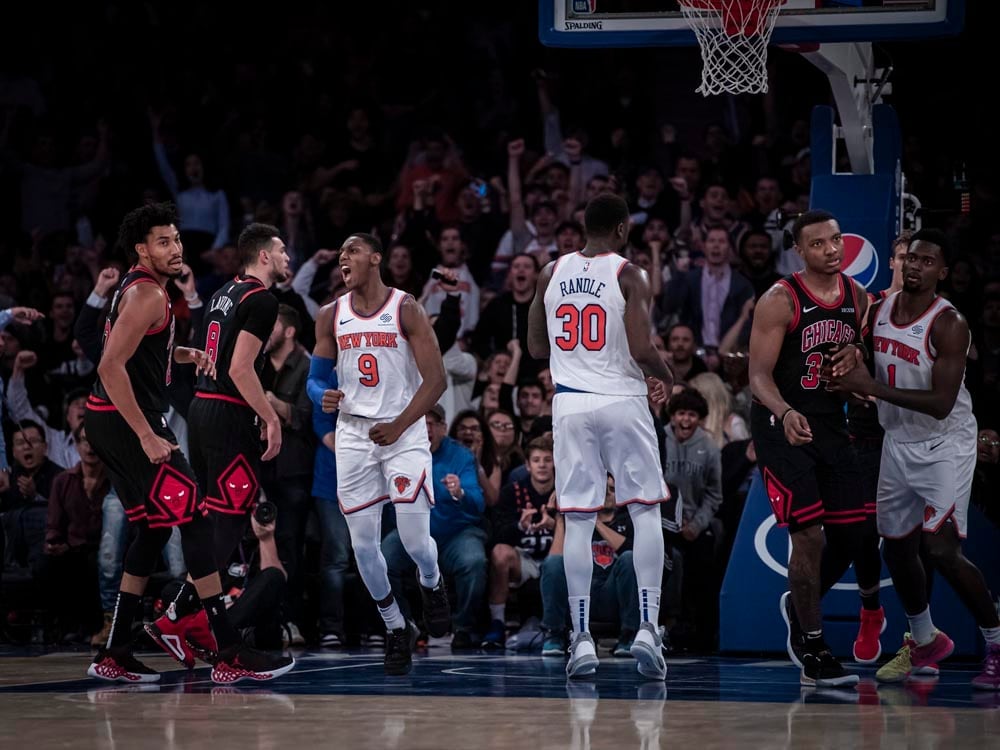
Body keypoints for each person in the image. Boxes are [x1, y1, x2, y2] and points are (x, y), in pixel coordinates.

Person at [83, 202, 293, 684]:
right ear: (141, 249)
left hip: (108, 418)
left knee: (153, 531)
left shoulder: (139, 288)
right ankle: (228, 652)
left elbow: (124, 348)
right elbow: (109, 366)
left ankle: (114, 651)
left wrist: (177, 352)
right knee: (198, 521)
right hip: (125, 422)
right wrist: (146, 434)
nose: (176, 248)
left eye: (176, 239)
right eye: (163, 241)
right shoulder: (148, 296)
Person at [830, 229, 1000, 690]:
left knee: (942, 548)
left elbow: (942, 402)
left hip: (946, 442)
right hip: (897, 440)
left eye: (927, 261)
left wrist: (869, 387)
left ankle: (996, 643)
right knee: (897, 547)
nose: (915, 266)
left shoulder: (950, 324)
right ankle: (924, 639)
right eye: (910, 258)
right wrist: (855, 354)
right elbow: (869, 349)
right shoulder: (880, 308)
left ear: (942, 272)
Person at [528, 193, 674, 680]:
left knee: (578, 518)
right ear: (622, 228)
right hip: (620, 398)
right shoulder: (630, 273)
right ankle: (649, 629)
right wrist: (666, 374)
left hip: (570, 401)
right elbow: (639, 345)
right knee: (645, 509)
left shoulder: (551, 272)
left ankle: (582, 638)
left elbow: (533, 345)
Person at [144, 222, 289, 669]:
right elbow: (243, 369)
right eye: (282, 251)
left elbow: (203, 353)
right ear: (263, 256)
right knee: (227, 524)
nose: (288, 258)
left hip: (203, 410)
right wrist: (270, 418)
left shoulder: (225, 292)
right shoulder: (263, 300)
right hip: (228, 414)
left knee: (214, 521)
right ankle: (175, 618)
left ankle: (195, 624)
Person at [308, 232, 450, 676]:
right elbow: (314, 379)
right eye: (340, 252)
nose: (342, 258)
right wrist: (321, 396)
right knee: (363, 547)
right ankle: (395, 627)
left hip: (402, 431)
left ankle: (432, 581)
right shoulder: (330, 315)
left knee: (412, 542)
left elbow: (437, 381)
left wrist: (402, 424)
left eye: (351, 251)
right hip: (354, 435)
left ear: (375, 258)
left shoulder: (405, 308)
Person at [748, 208, 877, 688]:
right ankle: (814, 643)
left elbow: (855, 359)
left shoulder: (858, 297)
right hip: (780, 423)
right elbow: (757, 377)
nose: (832, 249)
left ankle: (798, 603)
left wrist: (857, 362)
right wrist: (784, 413)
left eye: (836, 239)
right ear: (799, 250)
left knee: (856, 534)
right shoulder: (780, 299)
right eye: (819, 243)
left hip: (826, 421)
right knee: (809, 536)